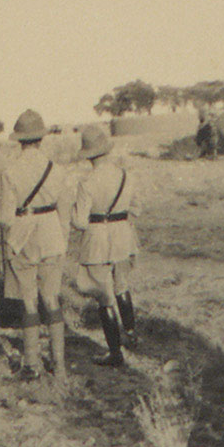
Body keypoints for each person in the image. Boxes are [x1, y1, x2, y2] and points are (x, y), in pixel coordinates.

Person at [0, 109, 72, 381]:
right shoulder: (58, 170)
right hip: (52, 235)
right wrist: (62, 239)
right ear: (41, 138)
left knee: (29, 302)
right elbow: (65, 212)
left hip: (23, 236)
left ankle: (32, 365)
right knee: (51, 298)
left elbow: (4, 217)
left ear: (19, 140)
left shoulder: (10, 172)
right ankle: (60, 366)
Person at [71, 125, 140, 366]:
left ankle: (115, 353)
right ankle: (131, 334)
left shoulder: (87, 181)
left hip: (98, 238)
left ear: (88, 154)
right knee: (122, 285)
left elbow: (80, 222)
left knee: (104, 296)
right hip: (123, 236)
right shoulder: (125, 175)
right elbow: (136, 208)